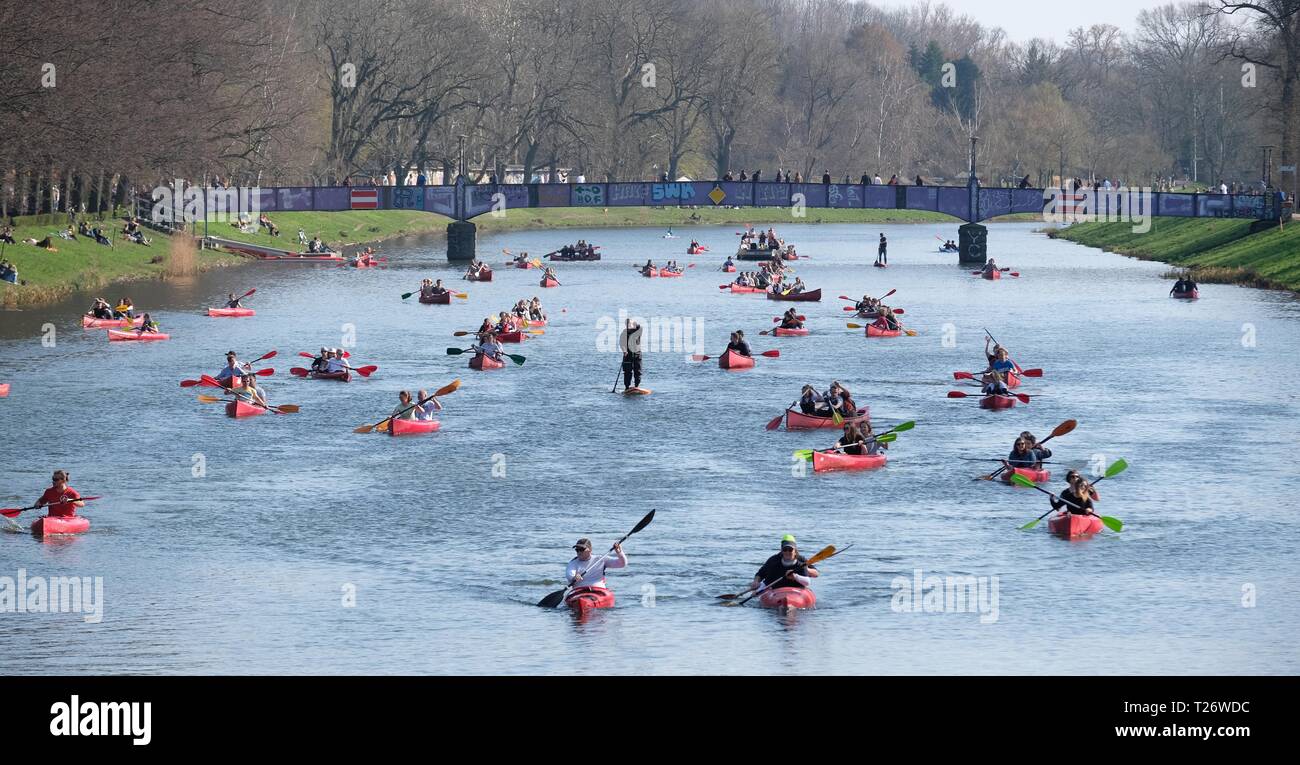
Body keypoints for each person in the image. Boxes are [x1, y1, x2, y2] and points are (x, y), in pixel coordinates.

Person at [743, 535, 819, 598]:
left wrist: (800, 572)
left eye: (790, 549)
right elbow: (765, 579)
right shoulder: (774, 562)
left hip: (797, 590)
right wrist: (757, 585)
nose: (787, 552)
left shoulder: (801, 562)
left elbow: (815, 575)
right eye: (785, 549)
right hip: (777, 590)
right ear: (781, 550)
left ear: (795, 550)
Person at [620, 318, 643, 391]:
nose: (629, 326)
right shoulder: (624, 333)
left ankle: (636, 386)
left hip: (637, 354)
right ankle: (627, 387)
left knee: (638, 371)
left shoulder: (638, 331)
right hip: (627, 355)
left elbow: (639, 326)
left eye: (630, 324)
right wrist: (624, 351)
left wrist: (633, 322)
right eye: (627, 325)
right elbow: (622, 344)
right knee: (627, 372)